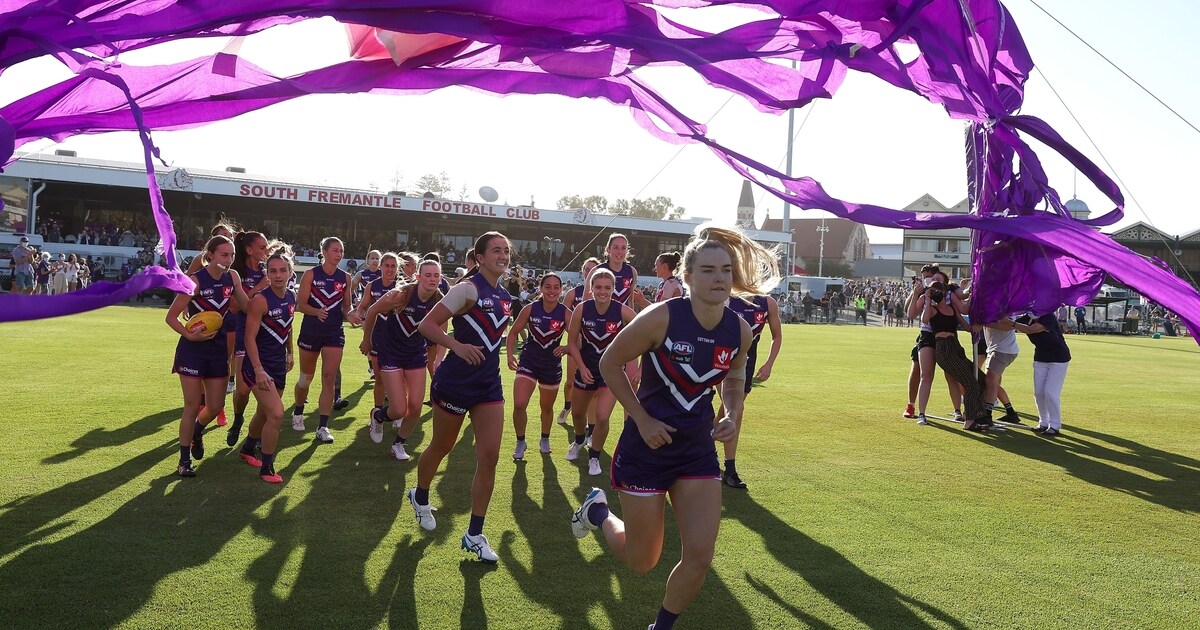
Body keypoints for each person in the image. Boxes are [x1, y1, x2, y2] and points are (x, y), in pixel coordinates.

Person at [570, 223, 774, 630]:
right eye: (709, 270)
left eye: (726, 271)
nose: (719, 278)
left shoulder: (740, 329)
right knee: (642, 560)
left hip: (696, 450)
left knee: (699, 557)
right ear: (688, 277)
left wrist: (732, 413)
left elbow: (735, 378)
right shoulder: (660, 317)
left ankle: (661, 626)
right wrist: (641, 419)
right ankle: (597, 512)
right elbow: (610, 363)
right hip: (646, 449)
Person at [409, 232, 513, 562]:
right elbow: (428, 325)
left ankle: (475, 534)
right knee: (441, 446)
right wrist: (457, 345)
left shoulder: (506, 296)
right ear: (480, 257)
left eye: (506, 251)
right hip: (455, 382)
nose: (503, 255)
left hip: (488, 385)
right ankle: (420, 496)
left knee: (491, 456)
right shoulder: (467, 288)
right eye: (496, 250)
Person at [164, 235, 250, 477]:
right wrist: (189, 336)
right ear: (210, 254)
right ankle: (183, 461)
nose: (229, 260)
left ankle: (196, 432)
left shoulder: (232, 278)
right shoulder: (195, 281)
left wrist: (273, 295)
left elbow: (247, 305)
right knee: (192, 405)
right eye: (224, 254)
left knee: (215, 406)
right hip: (192, 350)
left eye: (232, 255)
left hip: (218, 350)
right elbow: (171, 317)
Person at [361, 258, 443, 460]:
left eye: (436, 275)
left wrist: (439, 358)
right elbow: (372, 311)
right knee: (399, 409)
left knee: (415, 407)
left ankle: (398, 444)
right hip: (390, 352)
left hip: (415, 354)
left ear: (440, 278)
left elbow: (443, 329)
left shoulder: (439, 300)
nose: (432, 279)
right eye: (428, 275)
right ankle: (377, 416)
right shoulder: (402, 294)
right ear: (418, 277)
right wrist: (367, 340)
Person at [565, 268, 636, 476]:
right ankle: (579, 440)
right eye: (598, 287)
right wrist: (582, 367)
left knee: (602, 416)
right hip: (586, 370)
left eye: (607, 287)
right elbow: (571, 342)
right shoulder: (581, 309)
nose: (602, 291)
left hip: (612, 372)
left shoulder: (621, 310)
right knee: (578, 414)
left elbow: (645, 328)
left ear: (614, 289)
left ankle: (594, 456)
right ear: (591, 288)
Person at [235, 246, 296, 483]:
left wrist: (290, 352)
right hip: (257, 367)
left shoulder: (291, 297)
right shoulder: (260, 300)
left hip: (278, 364)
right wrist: (258, 370)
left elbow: (287, 327)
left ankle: (248, 449)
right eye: (273, 271)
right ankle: (267, 467)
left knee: (264, 412)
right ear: (267, 274)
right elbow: (249, 337)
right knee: (277, 413)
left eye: (282, 270)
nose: (278, 275)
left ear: (291, 272)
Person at [292, 237, 361, 443]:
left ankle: (323, 426)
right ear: (324, 251)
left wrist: (351, 315)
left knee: (329, 378)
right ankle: (298, 411)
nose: (339, 254)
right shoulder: (311, 274)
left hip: (334, 333)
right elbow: (300, 305)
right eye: (334, 250)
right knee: (306, 378)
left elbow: (345, 307)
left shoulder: (346, 277)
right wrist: (316, 311)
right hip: (310, 331)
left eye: (341, 250)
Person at [718, 292, 782, 488]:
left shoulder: (767, 302)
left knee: (730, 410)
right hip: (720, 357)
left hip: (747, 361)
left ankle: (702, 446)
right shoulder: (726, 297)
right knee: (735, 411)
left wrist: (769, 363)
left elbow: (777, 335)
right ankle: (730, 468)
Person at [506, 272, 569, 459]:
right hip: (529, 361)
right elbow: (512, 333)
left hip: (551, 366)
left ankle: (545, 438)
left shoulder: (566, 312)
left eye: (556, 287)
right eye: (547, 286)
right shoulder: (530, 309)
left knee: (546, 408)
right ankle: (520, 442)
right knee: (519, 404)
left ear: (561, 289)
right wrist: (510, 355)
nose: (552, 291)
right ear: (540, 288)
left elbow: (578, 340)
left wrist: (565, 347)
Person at [921, 281, 988, 430]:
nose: (936, 293)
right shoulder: (932, 309)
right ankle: (969, 420)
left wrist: (972, 298)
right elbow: (924, 320)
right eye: (933, 291)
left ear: (945, 292)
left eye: (938, 290)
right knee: (971, 383)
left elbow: (965, 325)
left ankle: (978, 413)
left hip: (955, 347)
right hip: (943, 348)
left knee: (982, 379)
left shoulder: (952, 309)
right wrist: (926, 300)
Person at [226, 231, 271, 446]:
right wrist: (258, 288)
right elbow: (234, 307)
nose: (266, 251)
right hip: (245, 334)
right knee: (243, 390)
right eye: (262, 247)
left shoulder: (269, 271)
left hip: (268, 337)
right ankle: (237, 420)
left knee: (266, 390)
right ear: (249, 250)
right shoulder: (237, 274)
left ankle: (257, 434)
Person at [355, 252, 400, 424]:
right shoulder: (372, 286)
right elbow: (362, 307)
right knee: (380, 378)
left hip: (398, 339)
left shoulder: (404, 286)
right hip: (377, 336)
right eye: (386, 266)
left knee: (400, 377)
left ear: (397, 269)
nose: (389, 269)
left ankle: (398, 412)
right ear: (380, 266)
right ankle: (378, 414)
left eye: (393, 266)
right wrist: (357, 314)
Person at [558, 257, 600, 426]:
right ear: (583, 272)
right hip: (577, 342)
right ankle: (567, 406)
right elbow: (564, 317)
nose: (590, 272)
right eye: (587, 269)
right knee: (570, 382)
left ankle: (590, 423)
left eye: (594, 269)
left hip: (595, 345)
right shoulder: (573, 293)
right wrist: (574, 334)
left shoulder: (602, 293)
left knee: (592, 385)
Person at [1015, 310, 1071, 436]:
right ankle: (1043, 422)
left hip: (1058, 358)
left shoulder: (1048, 316)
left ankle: (1055, 425)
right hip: (1040, 358)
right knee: (1039, 393)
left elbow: (1031, 329)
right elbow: (1012, 326)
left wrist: (1011, 324)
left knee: (1050, 392)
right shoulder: (1026, 318)